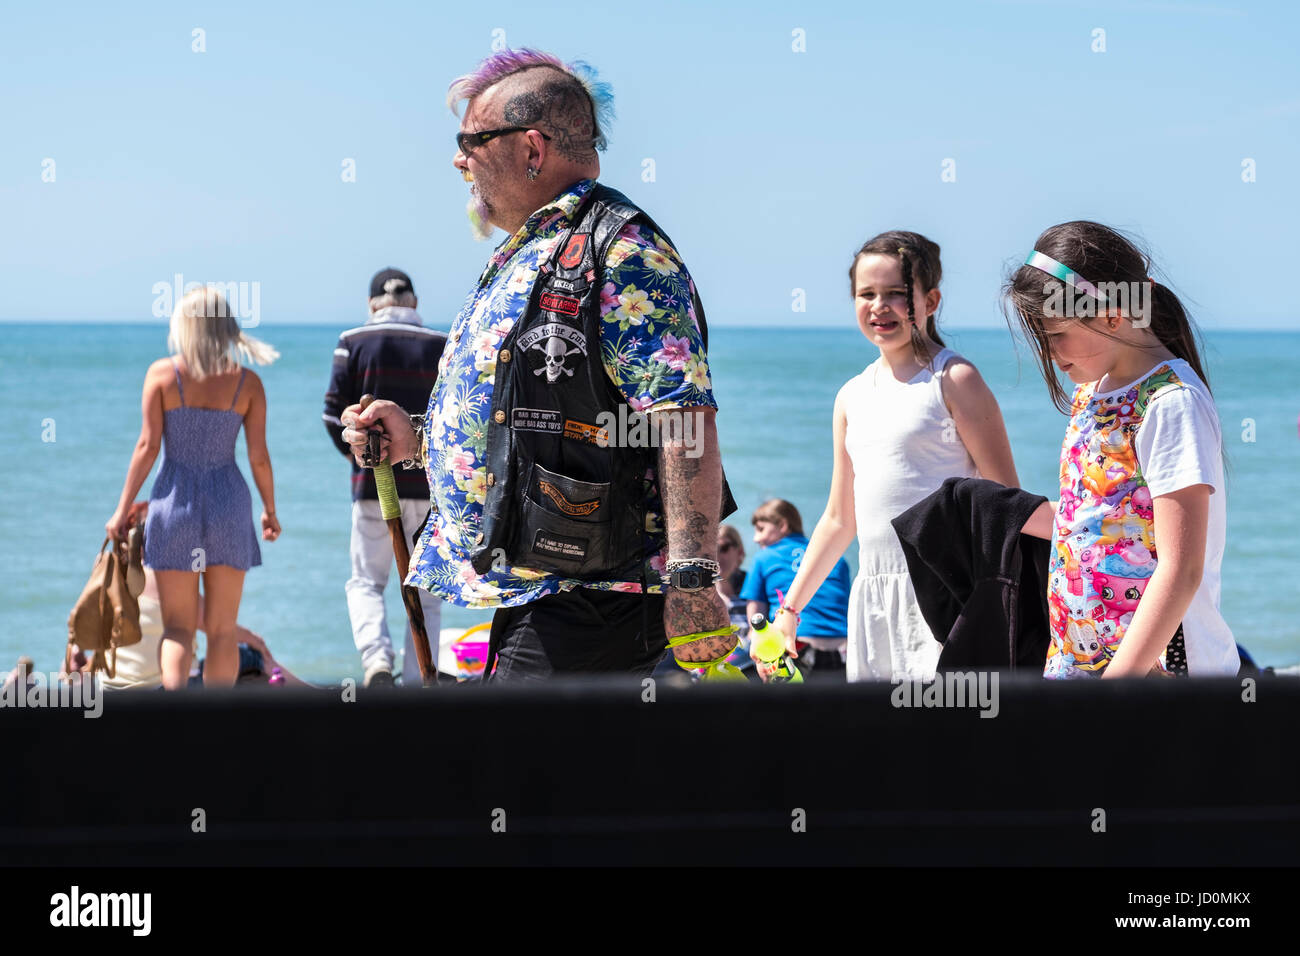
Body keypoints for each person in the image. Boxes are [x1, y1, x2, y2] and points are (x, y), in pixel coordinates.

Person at [339, 48, 737, 680]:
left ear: (532, 148)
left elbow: (681, 421)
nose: (457, 158)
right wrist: (416, 439)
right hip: (538, 584)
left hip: (597, 592)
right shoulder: (535, 247)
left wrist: (691, 579)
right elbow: (529, 413)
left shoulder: (624, 250)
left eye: (471, 140)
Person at [771, 232, 1020, 681]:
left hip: (944, 594)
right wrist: (790, 609)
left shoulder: (954, 378)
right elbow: (837, 519)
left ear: (931, 300)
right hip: (872, 598)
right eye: (866, 294)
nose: (879, 306)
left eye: (897, 294)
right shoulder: (851, 395)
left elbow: (1006, 502)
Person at [1007, 221, 1238, 678]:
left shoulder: (1171, 403)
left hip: (1155, 678)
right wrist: (999, 510)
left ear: (1113, 315)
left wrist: (1115, 690)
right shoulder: (1091, 393)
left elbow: (1181, 569)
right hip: (1081, 663)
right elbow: (1100, 520)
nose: (1050, 354)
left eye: (1056, 335)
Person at [106, 286, 280, 689]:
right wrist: (270, 510)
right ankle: (216, 727)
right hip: (229, 506)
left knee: (179, 628)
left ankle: (177, 721)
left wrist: (122, 510)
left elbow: (147, 447)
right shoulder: (247, 383)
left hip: (174, 505)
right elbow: (258, 457)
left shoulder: (163, 375)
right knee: (221, 631)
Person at [323, 268, 447, 687]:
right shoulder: (441, 344)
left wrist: (358, 455)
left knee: (367, 581)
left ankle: (377, 662)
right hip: (431, 486)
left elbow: (331, 415)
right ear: (413, 303)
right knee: (427, 589)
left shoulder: (353, 341)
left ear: (373, 305)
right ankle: (419, 681)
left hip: (374, 485)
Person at [741, 499, 851, 680]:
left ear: (783, 525)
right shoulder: (837, 559)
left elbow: (756, 621)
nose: (756, 538)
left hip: (795, 649)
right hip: (843, 651)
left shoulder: (764, 557)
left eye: (761, 529)